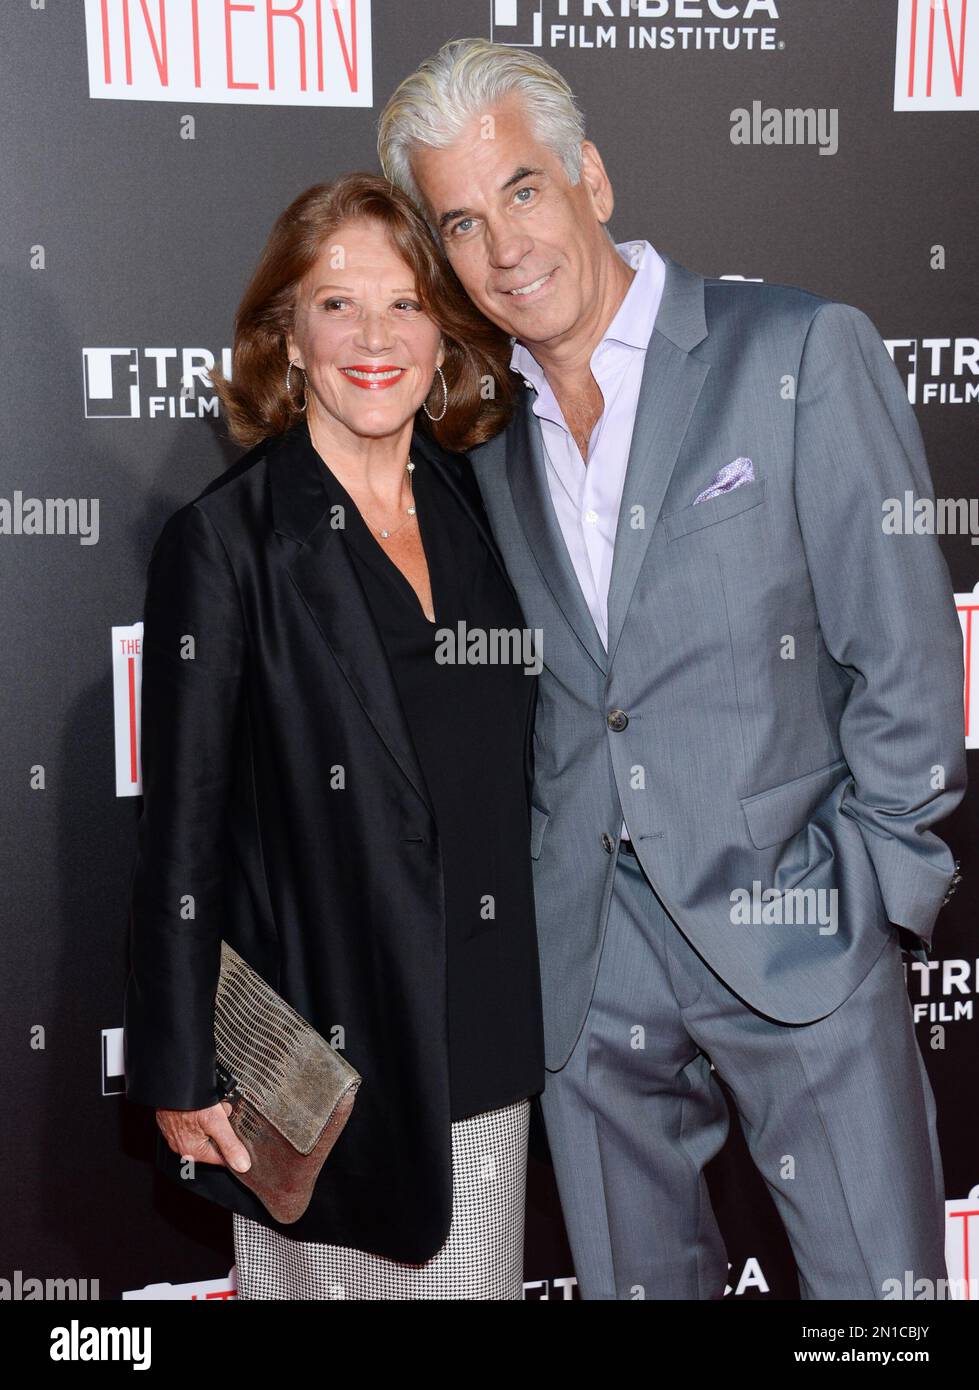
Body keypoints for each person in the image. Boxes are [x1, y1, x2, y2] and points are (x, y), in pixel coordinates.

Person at [377, 38, 967, 1300]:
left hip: (800, 933)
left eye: (523, 190)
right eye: (463, 222)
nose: (503, 248)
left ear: (590, 176)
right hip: (591, 977)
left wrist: (864, 900)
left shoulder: (798, 352)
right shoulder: (478, 447)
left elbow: (909, 661)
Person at [123, 173, 545, 1300]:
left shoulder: (478, 503)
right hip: (322, 1062)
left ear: (441, 331)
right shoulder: (225, 543)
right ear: (288, 337)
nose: (374, 337)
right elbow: (184, 826)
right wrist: (177, 1063)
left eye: (405, 304)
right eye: (336, 305)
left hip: (488, 1034)